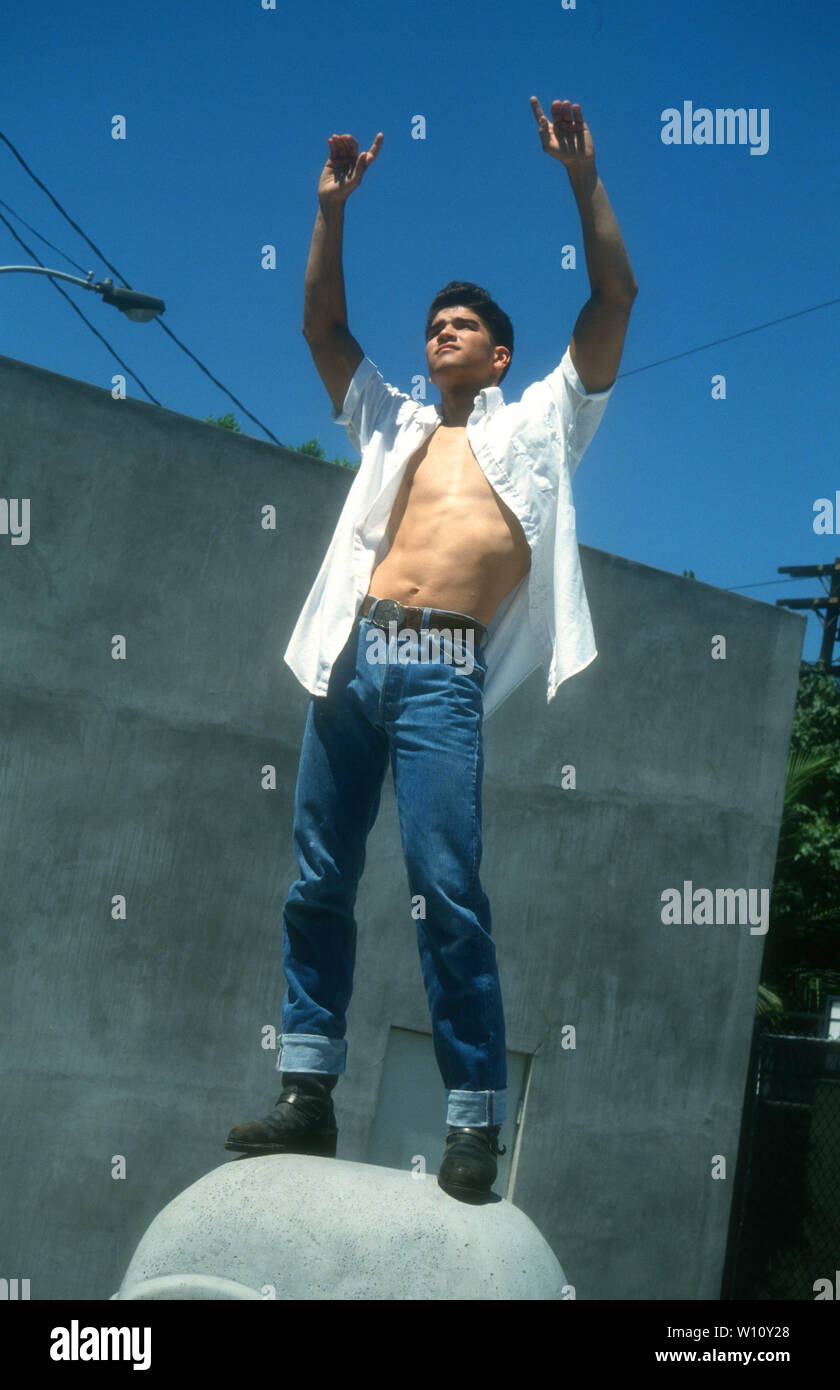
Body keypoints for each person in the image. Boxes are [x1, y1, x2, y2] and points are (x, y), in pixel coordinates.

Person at [226, 97, 638, 1202]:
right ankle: (306, 1089)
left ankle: (471, 1120)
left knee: (447, 888)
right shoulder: (395, 423)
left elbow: (613, 299)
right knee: (318, 878)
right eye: (432, 323)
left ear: (499, 351)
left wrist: (581, 179)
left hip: (443, 675)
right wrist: (329, 212)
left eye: (461, 324)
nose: (439, 330)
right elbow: (322, 328)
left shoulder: (542, 420)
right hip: (353, 660)